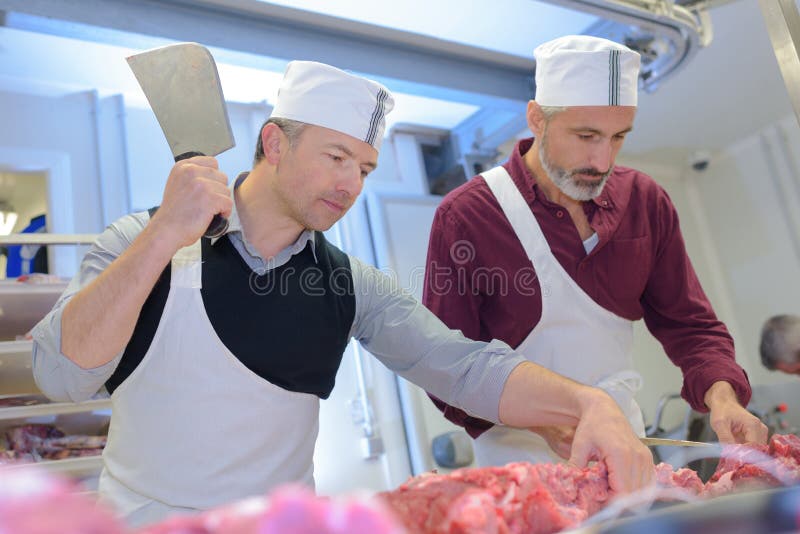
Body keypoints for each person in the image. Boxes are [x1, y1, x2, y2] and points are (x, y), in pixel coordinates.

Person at [30, 60, 653, 526]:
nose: (350, 184)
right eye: (336, 157)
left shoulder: (350, 284)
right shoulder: (140, 241)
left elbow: (462, 366)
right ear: (275, 144)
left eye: (365, 169)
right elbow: (62, 376)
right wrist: (167, 231)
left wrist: (585, 403)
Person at [422, 35, 768, 467]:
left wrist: (723, 397)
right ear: (537, 119)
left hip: (623, 441)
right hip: (522, 457)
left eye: (618, 137)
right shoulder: (468, 216)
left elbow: (690, 323)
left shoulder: (644, 201)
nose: (602, 161)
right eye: (586, 136)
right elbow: (443, 366)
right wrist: (543, 423)